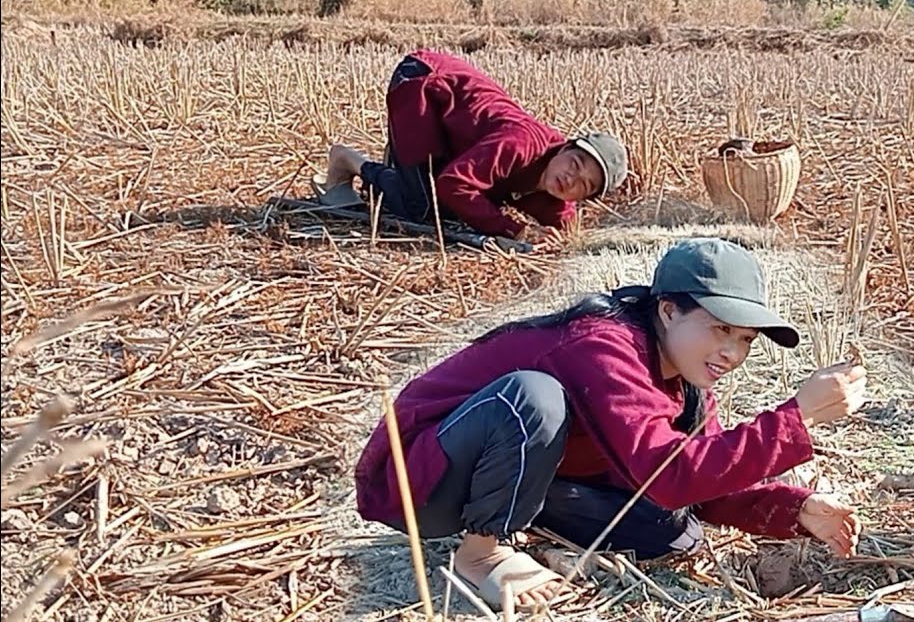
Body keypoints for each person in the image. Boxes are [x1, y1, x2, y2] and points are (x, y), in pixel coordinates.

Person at [354, 238, 870, 612]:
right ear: (668, 311)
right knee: (535, 397)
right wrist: (796, 418)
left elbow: (698, 484)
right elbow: (670, 474)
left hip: (514, 472)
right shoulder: (602, 345)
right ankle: (481, 554)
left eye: (746, 340)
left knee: (671, 533)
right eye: (720, 329)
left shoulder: (686, 381)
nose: (732, 353)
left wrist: (796, 509)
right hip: (420, 478)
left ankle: (530, 521)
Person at [319, 50, 629, 244]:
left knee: (465, 200)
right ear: (564, 148)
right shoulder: (520, 145)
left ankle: (407, 170)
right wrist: (514, 229)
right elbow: (453, 184)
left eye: (584, 185)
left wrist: (568, 239)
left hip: (455, 121)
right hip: (422, 82)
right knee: (425, 208)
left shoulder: (556, 183)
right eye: (575, 164)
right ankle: (348, 160)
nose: (571, 179)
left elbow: (564, 223)